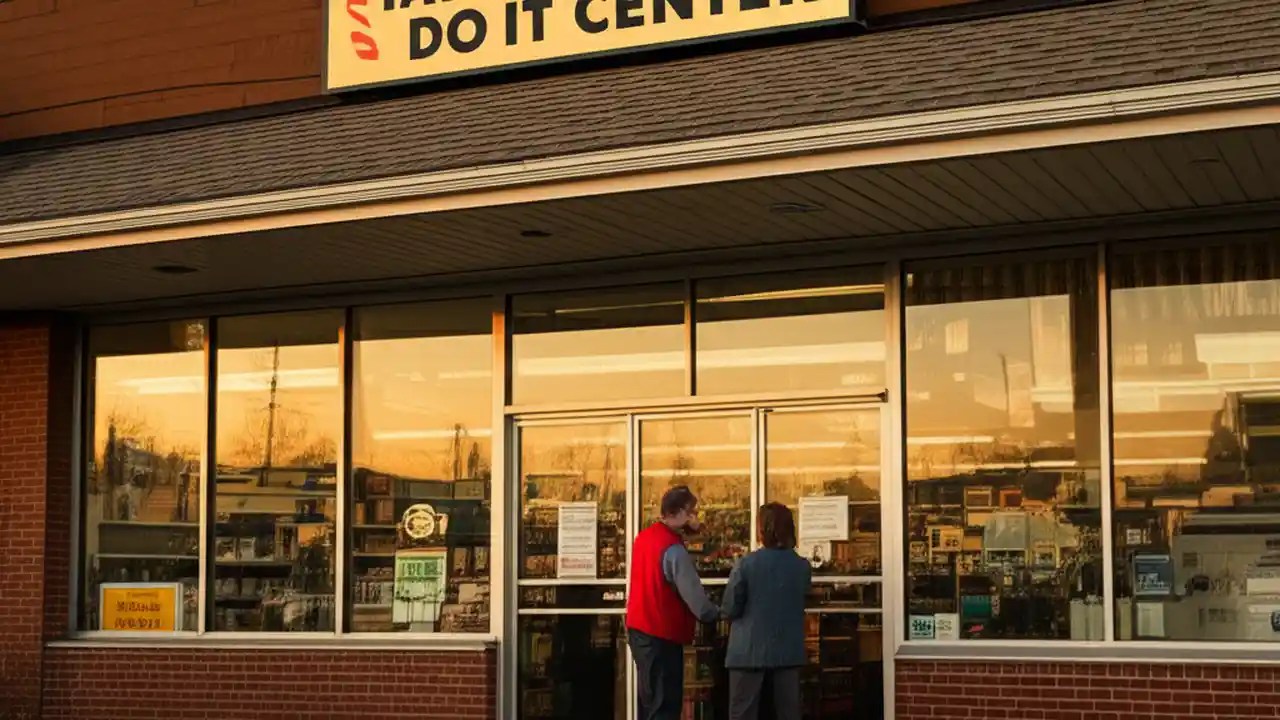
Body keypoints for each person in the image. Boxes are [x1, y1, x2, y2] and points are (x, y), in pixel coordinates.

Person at [626, 485, 721, 720]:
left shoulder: (644, 538)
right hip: (662, 634)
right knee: (665, 705)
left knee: (650, 702)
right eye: (693, 512)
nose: (696, 518)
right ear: (678, 512)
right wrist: (718, 613)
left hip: (640, 630)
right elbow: (697, 602)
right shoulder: (673, 550)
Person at [722, 503, 812, 720]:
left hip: (748, 652)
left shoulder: (746, 564)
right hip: (787, 651)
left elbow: (730, 607)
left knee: (743, 713)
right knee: (788, 713)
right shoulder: (801, 566)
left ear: (762, 529)